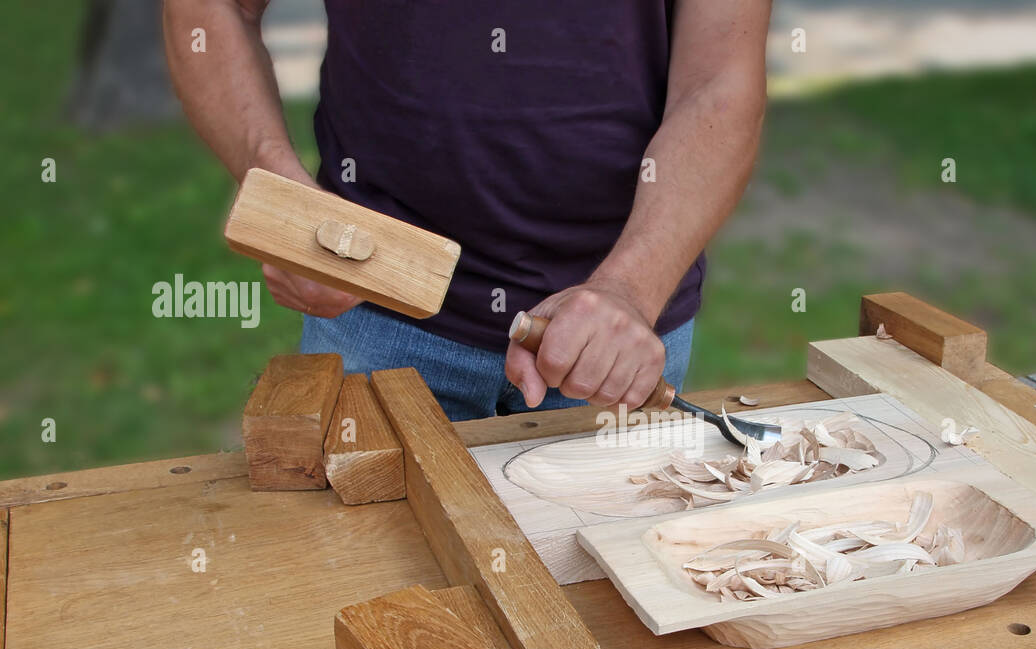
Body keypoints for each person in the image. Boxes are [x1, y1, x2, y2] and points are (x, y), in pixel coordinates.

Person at [164, 1, 770, 420]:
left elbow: (720, 81)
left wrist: (631, 292)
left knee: (600, 599)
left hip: (610, 340)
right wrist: (285, 200)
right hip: (373, 316)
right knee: (362, 592)